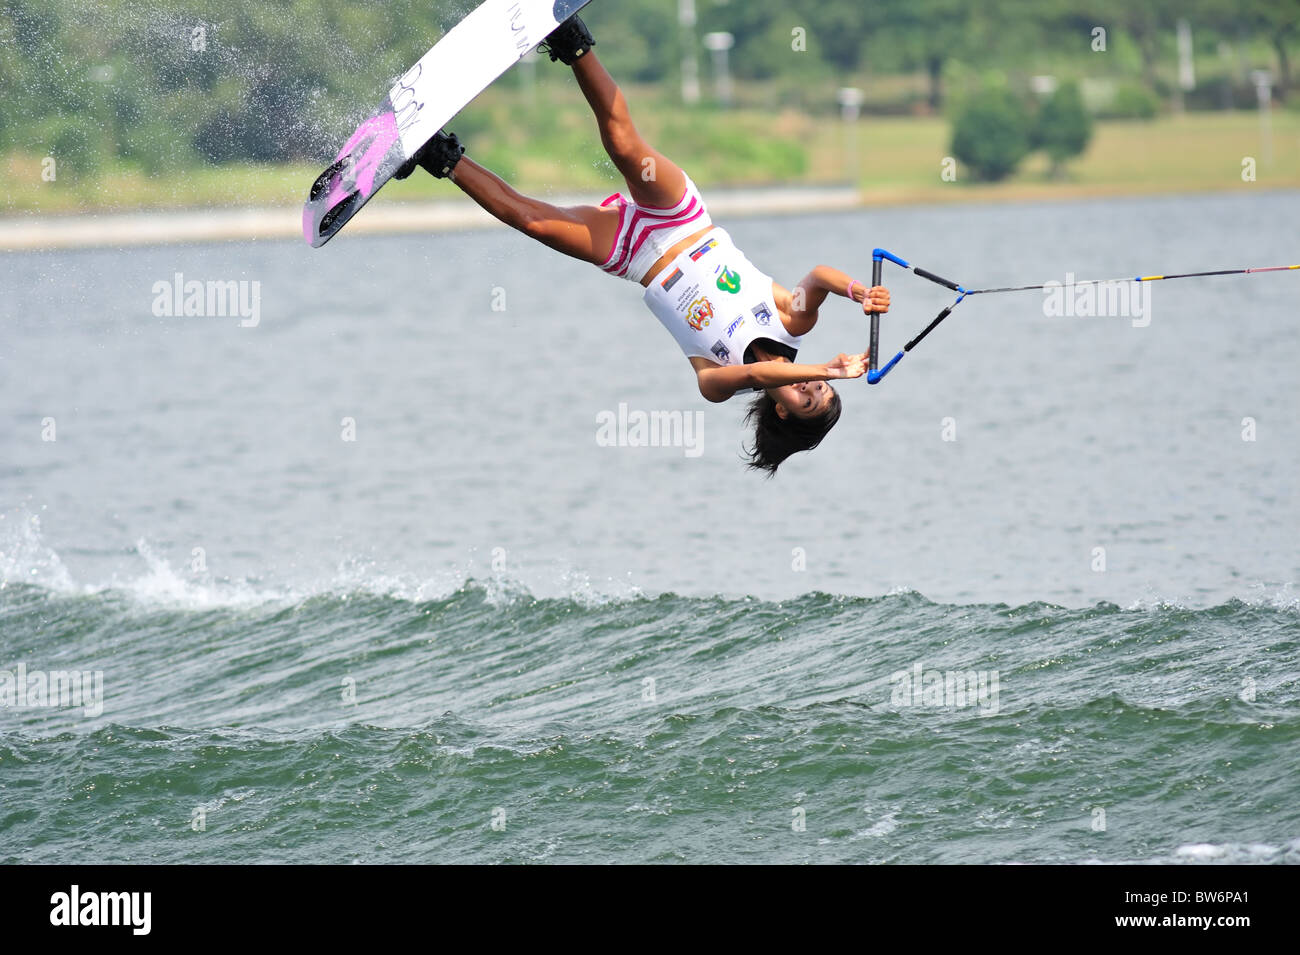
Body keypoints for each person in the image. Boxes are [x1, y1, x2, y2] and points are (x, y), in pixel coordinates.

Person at [397, 14, 890, 475]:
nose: (810, 385)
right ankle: (571, 40)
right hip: (681, 220)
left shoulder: (718, 381)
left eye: (808, 399)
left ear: (782, 415)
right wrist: (857, 292)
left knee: (532, 221)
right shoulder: (792, 320)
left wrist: (829, 368)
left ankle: (436, 153)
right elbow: (821, 276)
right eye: (820, 386)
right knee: (625, 146)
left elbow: (756, 377)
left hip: (636, 255)